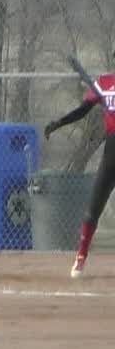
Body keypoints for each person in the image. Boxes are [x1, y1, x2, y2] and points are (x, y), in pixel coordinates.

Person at [44, 67, 115, 278]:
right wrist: (59, 123)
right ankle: (81, 257)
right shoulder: (103, 82)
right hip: (112, 147)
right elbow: (83, 110)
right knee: (95, 205)